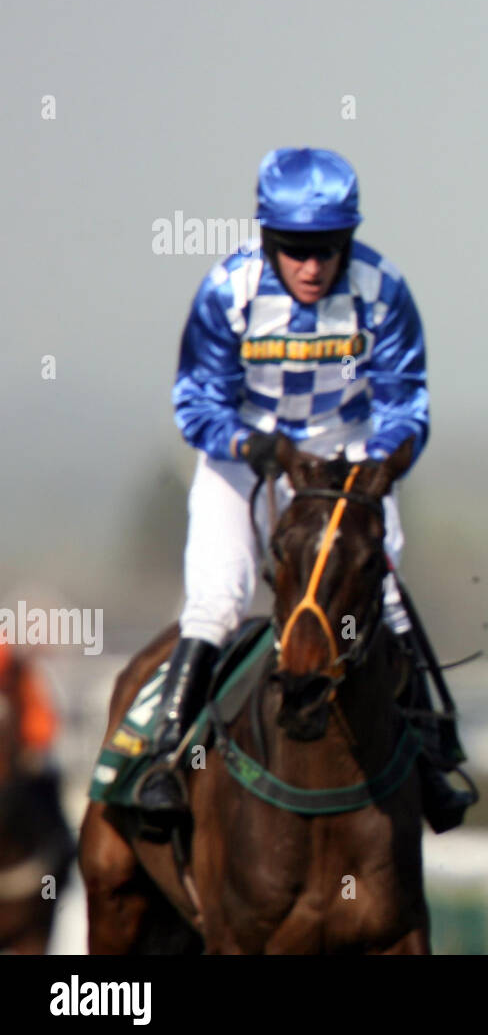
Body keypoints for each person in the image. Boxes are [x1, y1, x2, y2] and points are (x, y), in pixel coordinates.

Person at [136, 147, 470, 832]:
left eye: (327, 249)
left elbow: (405, 401)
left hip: (346, 455)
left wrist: (379, 465)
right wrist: (250, 446)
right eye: (295, 250)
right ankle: (164, 756)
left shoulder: (383, 287)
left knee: (383, 578)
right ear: (268, 240)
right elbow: (196, 401)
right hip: (251, 454)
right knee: (219, 592)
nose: (313, 267)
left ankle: (432, 751)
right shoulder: (228, 289)